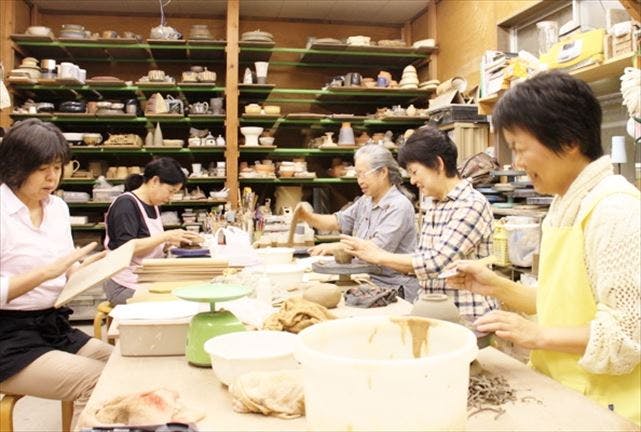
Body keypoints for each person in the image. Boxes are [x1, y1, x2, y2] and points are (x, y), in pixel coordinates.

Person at [448, 71, 640, 425]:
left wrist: (536, 335)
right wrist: (495, 285)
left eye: (520, 148)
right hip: (563, 392)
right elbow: (564, 302)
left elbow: (627, 336)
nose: (516, 162)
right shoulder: (563, 204)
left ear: (568, 141)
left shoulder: (616, 210)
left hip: (609, 410)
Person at [0, 119, 113, 428]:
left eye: (59, 166)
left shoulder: (58, 209)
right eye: (41, 169)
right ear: (14, 166)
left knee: (123, 363)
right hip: (8, 338)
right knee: (101, 381)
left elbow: (61, 269)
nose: (52, 178)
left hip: (51, 325)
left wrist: (81, 271)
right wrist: (46, 272)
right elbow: (47, 271)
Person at [341, 126, 497, 319]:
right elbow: (423, 259)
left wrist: (378, 256)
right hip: (431, 311)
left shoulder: (471, 204)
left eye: (415, 172)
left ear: (438, 164)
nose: (413, 181)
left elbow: (437, 262)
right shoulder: (435, 203)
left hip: (466, 317)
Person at [295, 144, 420, 301]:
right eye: (357, 175)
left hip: (393, 288)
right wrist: (307, 216)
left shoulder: (398, 206)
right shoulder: (366, 200)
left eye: (363, 174)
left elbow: (373, 250)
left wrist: (334, 247)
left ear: (382, 172)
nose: (359, 181)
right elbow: (337, 221)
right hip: (368, 281)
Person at [103, 157, 201, 305]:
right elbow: (125, 249)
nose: (171, 198)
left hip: (146, 278)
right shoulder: (126, 204)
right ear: (155, 181)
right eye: (171, 191)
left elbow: (148, 243)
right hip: (123, 285)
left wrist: (170, 243)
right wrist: (166, 235)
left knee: (194, 289)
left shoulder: (153, 205)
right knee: (180, 301)